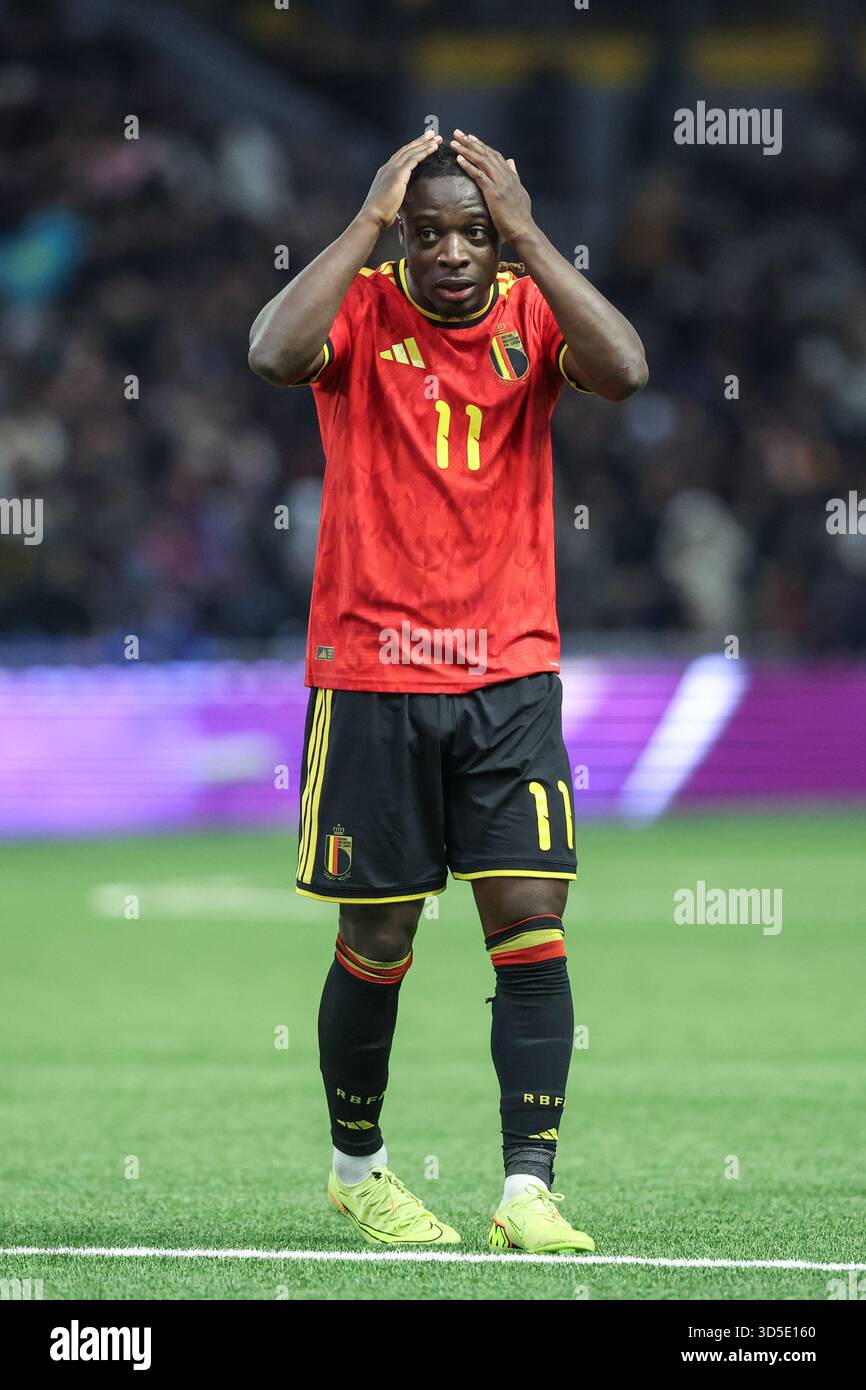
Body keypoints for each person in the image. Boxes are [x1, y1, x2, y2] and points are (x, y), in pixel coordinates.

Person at [249, 128, 647, 1252]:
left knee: (529, 924)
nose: (453, 254)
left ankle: (527, 1189)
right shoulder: (363, 310)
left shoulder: (531, 311)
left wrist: (530, 232)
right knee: (377, 938)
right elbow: (274, 355)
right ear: (401, 237)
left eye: (473, 232)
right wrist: (365, 220)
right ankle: (359, 1170)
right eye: (428, 233)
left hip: (509, 676)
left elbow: (622, 368)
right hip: (372, 676)